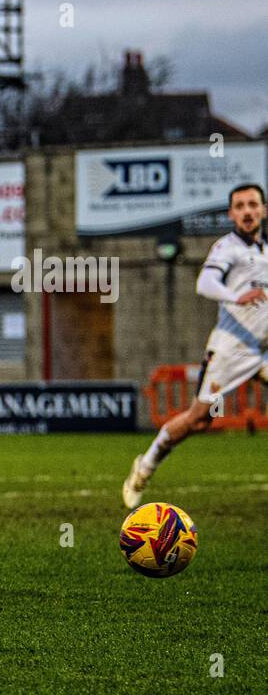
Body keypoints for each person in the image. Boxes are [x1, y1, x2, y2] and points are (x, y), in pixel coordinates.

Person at [123, 183, 268, 507]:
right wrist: (236, 296)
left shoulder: (264, 252)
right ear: (231, 213)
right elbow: (204, 283)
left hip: (263, 351)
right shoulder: (227, 247)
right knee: (198, 420)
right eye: (240, 206)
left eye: (253, 204)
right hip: (232, 348)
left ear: (263, 210)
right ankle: (145, 466)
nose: (247, 211)